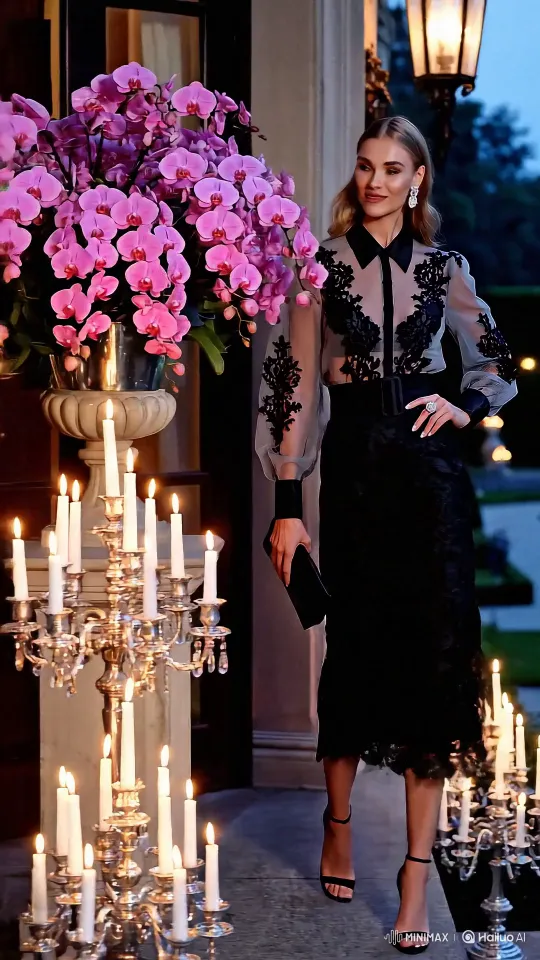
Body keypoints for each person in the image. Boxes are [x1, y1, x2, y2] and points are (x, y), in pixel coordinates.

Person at [255, 116, 517, 952]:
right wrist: (287, 502)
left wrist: (464, 404)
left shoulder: (447, 268)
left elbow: (497, 365)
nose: (373, 180)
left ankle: (413, 874)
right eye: (366, 166)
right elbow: (292, 387)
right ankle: (338, 823)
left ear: (417, 181)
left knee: (433, 664)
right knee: (358, 658)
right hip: (359, 483)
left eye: (392, 168)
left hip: (433, 489)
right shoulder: (319, 267)